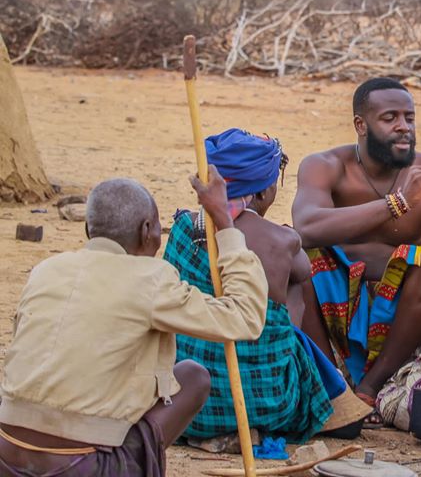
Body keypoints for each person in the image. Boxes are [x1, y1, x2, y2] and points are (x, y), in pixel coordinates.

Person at [0, 169, 267, 476]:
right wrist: (224, 221)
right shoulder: (151, 278)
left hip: (6, 450)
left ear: (88, 229)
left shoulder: (46, 270)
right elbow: (244, 316)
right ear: (146, 231)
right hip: (82, 464)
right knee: (193, 377)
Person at [292, 77, 421, 422]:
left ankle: (371, 386)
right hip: (330, 311)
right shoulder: (325, 166)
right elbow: (306, 227)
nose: (403, 127)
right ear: (360, 125)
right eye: (390, 118)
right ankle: (334, 384)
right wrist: (396, 203)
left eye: (409, 118)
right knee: (289, 250)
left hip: (404, 318)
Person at [164, 129, 369, 443]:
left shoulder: (183, 227)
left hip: (184, 404)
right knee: (296, 288)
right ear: (261, 193)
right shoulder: (281, 241)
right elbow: (303, 270)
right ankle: (313, 373)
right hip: (265, 404)